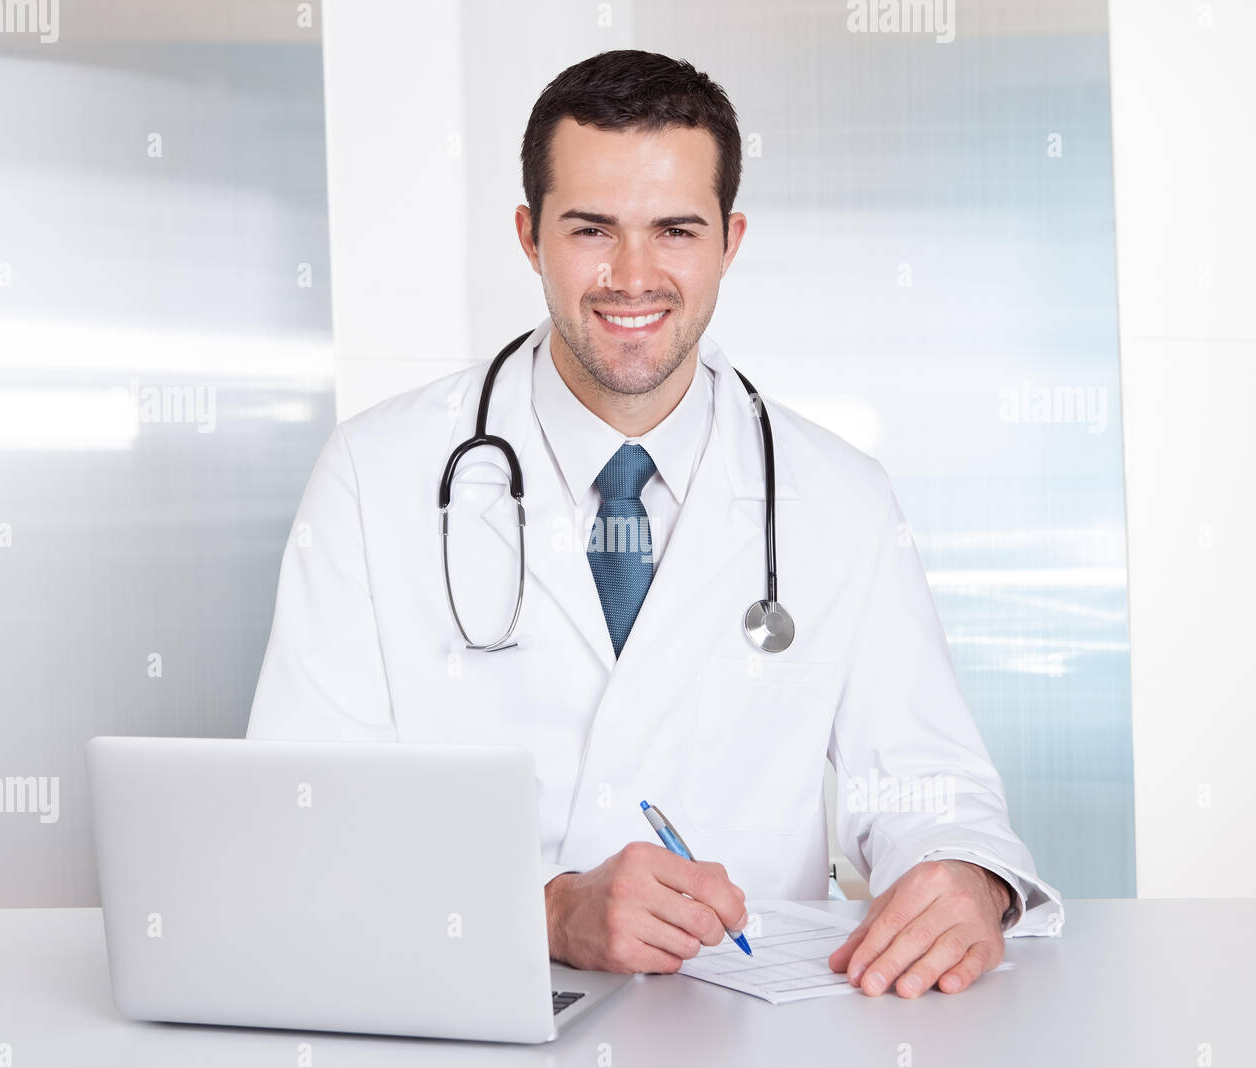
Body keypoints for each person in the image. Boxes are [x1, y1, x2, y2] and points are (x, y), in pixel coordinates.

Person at [247, 49, 1063, 999]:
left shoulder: (840, 497)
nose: (633, 277)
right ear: (528, 236)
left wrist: (965, 875)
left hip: (745, 1033)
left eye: (675, 230)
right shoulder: (374, 475)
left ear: (731, 239)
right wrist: (542, 910)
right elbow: (301, 815)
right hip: (459, 1013)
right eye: (592, 229)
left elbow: (930, 785)